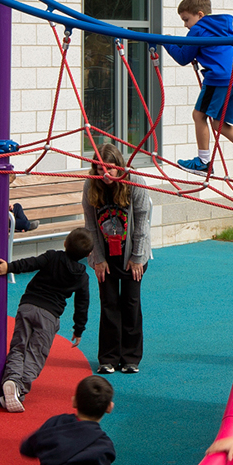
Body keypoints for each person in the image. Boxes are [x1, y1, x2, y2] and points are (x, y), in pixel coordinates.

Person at [164, 0, 233, 177]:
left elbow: (182, 57)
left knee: (198, 115)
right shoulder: (226, 30)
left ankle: (203, 162)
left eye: (186, 19)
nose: (186, 26)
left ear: (200, 15)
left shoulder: (198, 30)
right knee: (220, 122)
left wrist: (167, 41)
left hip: (220, 78)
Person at [0, 228, 92, 413]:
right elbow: (82, 305)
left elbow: (30, 263)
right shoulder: (82, 277)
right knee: (36, 354)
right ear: (88, 255)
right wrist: (78, 329)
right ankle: (19, 388)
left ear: (65, 243)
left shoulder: (52, 256)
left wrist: (8, 267)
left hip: (28, 306)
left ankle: (12, 380)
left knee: (19, 346)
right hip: (49, 316)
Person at [82, 140, 154, 374]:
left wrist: (137, 258)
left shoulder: (135, 183)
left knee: (131, 304)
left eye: (110, 168)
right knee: (109, 303)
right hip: (106, 253)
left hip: (132, 252)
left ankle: (131, 357)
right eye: (100, 168)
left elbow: (142, 224)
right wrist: (98, 258)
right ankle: (109, 358)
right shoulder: (91, 185)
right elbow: (91, 226)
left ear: (119, 167)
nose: (106, 173)